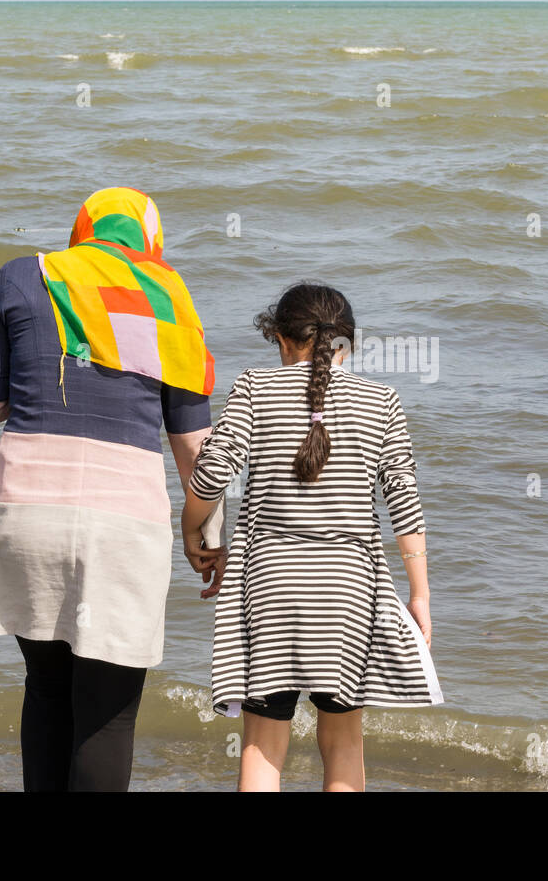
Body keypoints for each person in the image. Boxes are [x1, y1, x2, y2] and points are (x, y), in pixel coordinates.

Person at [0, 187, 225, 791]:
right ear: (149, 238)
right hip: (124, 525)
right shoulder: (169, 298)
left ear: (84, 228)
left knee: (46, 687)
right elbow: (195, 448)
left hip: (24, 513)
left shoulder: (26, 274)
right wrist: (205, 535)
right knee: (108, 714)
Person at [180, 281, 442, 791]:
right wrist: (420, 595)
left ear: (280, 338)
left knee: (262, 741)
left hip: (270, 589)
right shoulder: (382, 401)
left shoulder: (255, 388)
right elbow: (404, 504)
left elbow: (211, 476)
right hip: (350, 593)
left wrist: (192, 532)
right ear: (349, 343)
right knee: (343, 741)